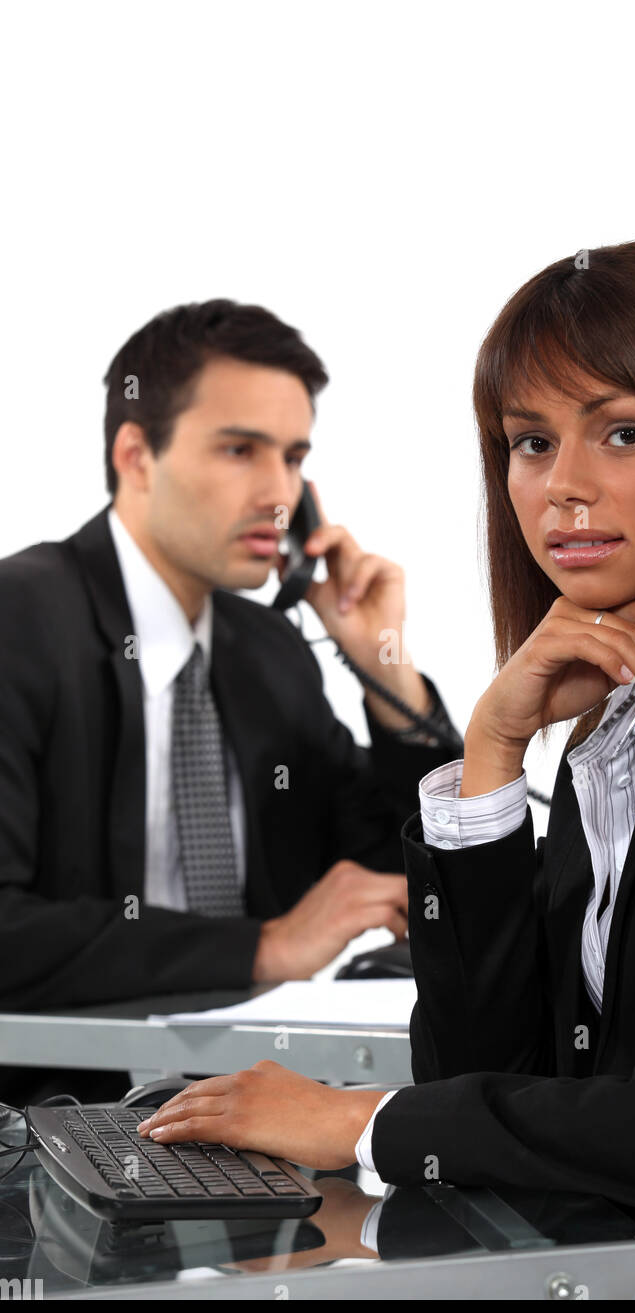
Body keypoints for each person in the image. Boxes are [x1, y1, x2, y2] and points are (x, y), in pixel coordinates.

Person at [137, 243, 635, 1300]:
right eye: (528, 442)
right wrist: (488, 755)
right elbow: (493, 1074)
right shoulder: (613, 701)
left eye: (621, 432)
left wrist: (357, 1120)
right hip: (599, 1271)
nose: (561, 487)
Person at [0, 299, 460, 1105]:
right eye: (240, 450)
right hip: (49, 1129)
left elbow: (404, 876)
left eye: (293, 458)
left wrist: (387, 671)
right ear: (136, 455)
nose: (278, 494)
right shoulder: (23, 619)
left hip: (258, 1119)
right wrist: (263, 946)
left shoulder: (266, 651)